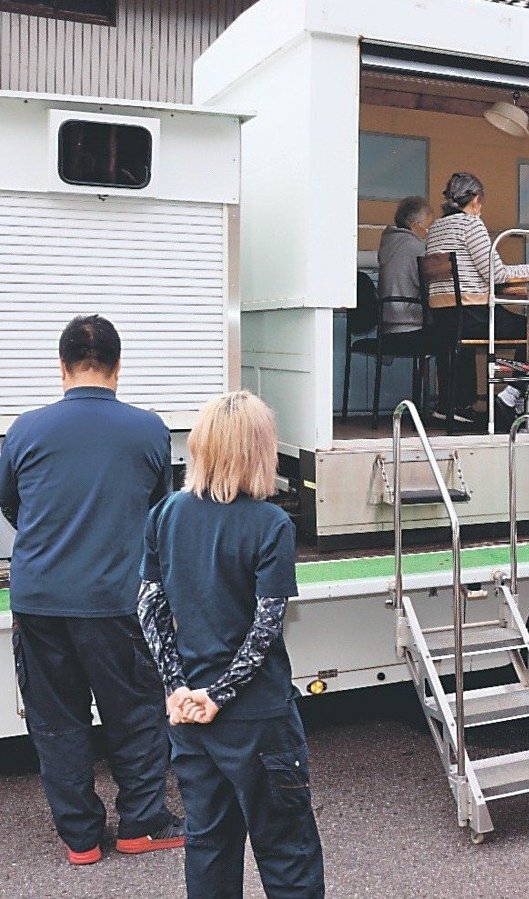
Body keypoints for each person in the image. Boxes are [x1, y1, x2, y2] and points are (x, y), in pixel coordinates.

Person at [0, 315, 182, 866]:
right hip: (117, 601)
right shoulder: (150, 429)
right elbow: (158, 511)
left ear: (61, 368)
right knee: (136, 714)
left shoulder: (22, 430)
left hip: (38, 599)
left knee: (57, 722)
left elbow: (13, 506)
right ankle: (142, 825)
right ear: (118, 368)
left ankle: (80, 838)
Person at [138, 390, 325, 898]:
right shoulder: (271, 524)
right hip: (257, 720)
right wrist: (219, 695)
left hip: (190, 721)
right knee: (287, 852)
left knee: (209, 847)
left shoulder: (166, 513)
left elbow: (149, 607)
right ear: (257, 450)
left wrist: (179, 689)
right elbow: (265, 628)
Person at [424, 172, 529, 429]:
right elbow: (497, 273)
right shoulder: (471, 225)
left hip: (444, 317)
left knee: (509, 331)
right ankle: (511, 397)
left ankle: (454, 404)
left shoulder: (435, 228)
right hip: (474, 315)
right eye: (480, 201)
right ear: (474, 199)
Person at [377, 195, 433, 337]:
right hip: (411, 322)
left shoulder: (389, 243)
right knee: (452, 329)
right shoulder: (416, 247)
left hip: (386, 321)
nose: (429, 232)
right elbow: (428, 286)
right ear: (414, 225)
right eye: (428, 226)